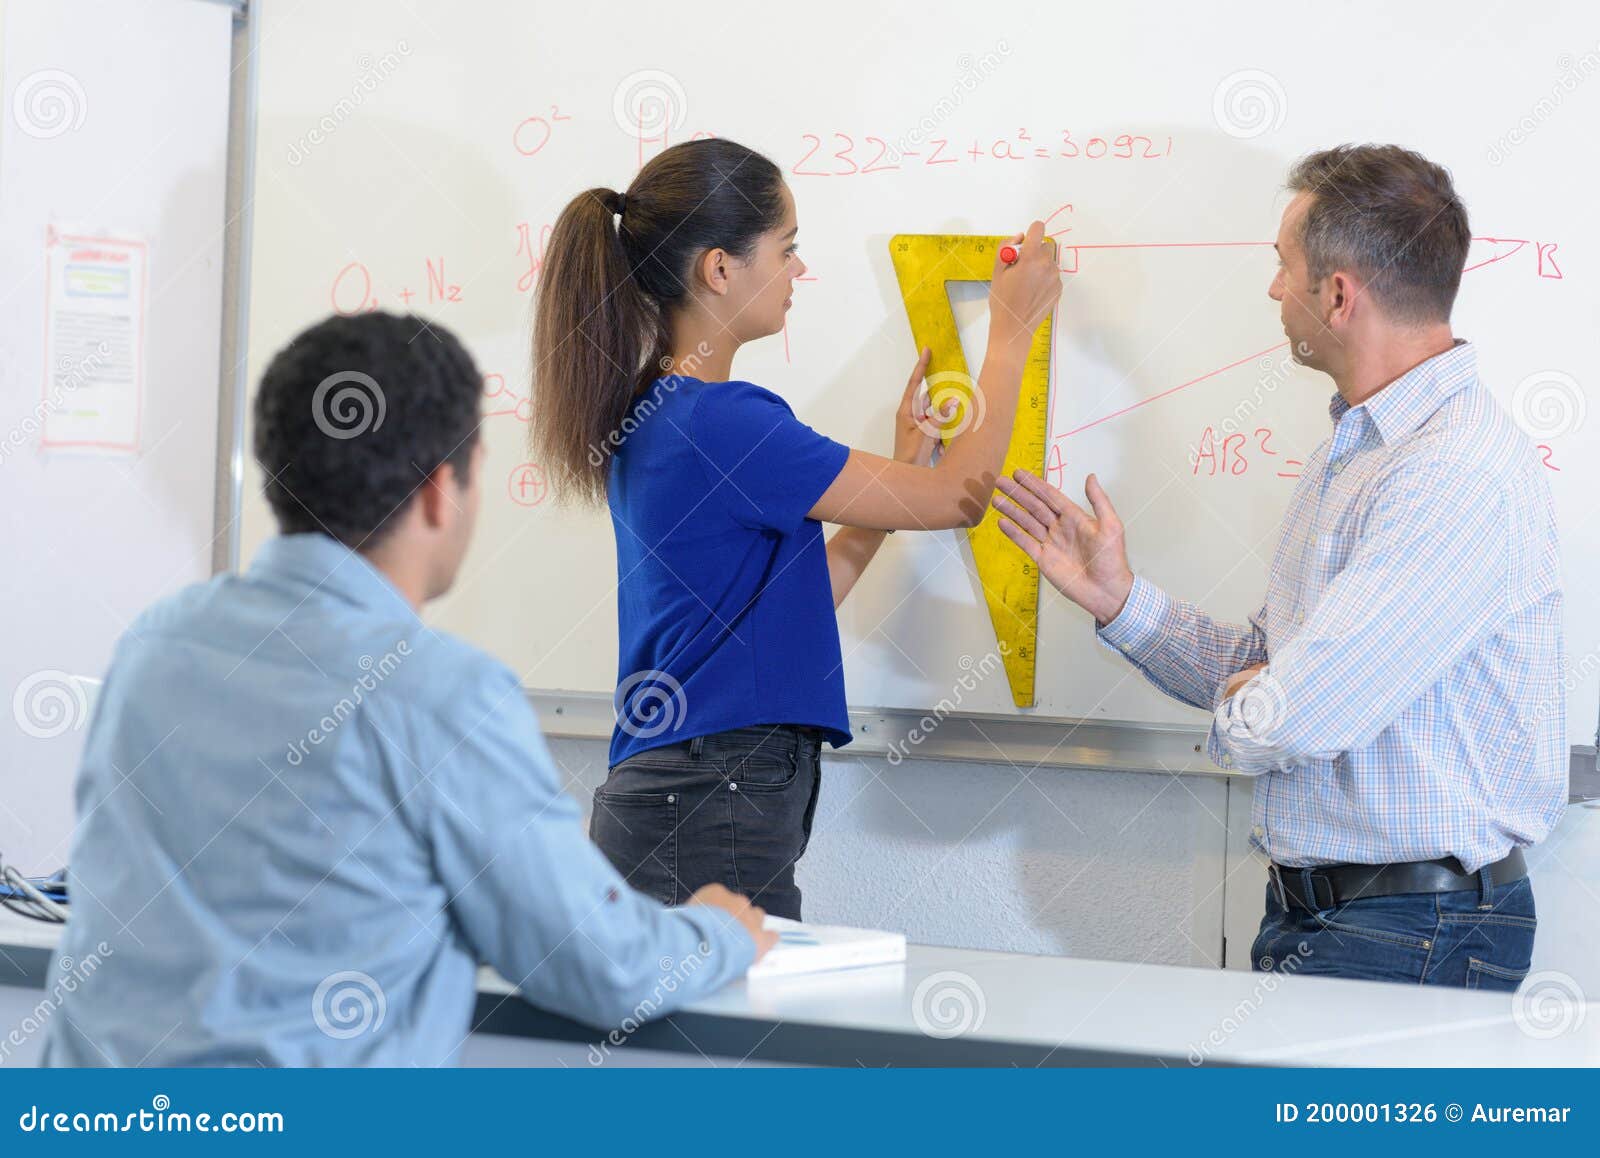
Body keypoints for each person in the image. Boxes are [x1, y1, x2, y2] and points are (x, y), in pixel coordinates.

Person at [43, 312, 774, 1067]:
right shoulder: (437, 692)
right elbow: (600, 965)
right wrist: (716, 930)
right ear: (437, 492)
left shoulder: (157, 644)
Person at [991, 144, 1565, 990]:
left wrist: (1266, 697)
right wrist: (1121, 601)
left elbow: (1290, 717)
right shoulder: (1357, 452)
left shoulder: (1452, 470)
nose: (1271, 291)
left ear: (1338, 294)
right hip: (1341, 921)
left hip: (1411, 934)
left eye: (1281, 266)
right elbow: (1273, 673)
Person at [530, 137, 1060, 919]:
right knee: (728, 1035)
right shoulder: (728, 423)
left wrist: (897, 469)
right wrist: (1011, 331)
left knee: (688, 1032)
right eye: (787, 249)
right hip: (711, 796)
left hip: (684, 793)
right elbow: (959, 497)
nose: (798, 271)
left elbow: (797, 599)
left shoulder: (656, 414)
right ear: (720, 268)